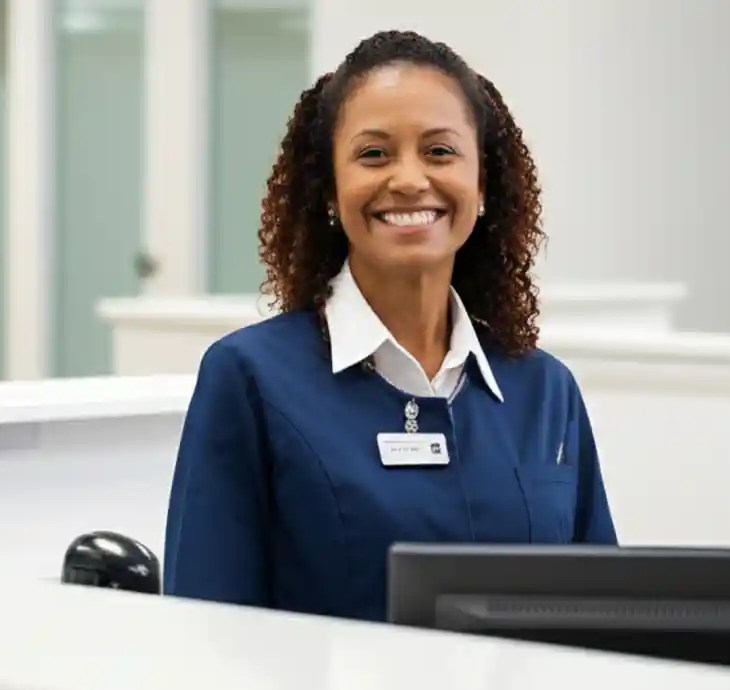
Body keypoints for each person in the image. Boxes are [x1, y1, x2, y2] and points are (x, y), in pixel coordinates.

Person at [163, 30, 617, 622]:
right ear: (330, 190)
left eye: (440, 151)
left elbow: (603, 619)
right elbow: (206, 630)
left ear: (482, 187)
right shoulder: (251, 379)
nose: (408, 179)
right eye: (374, 154)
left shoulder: (546, 392)